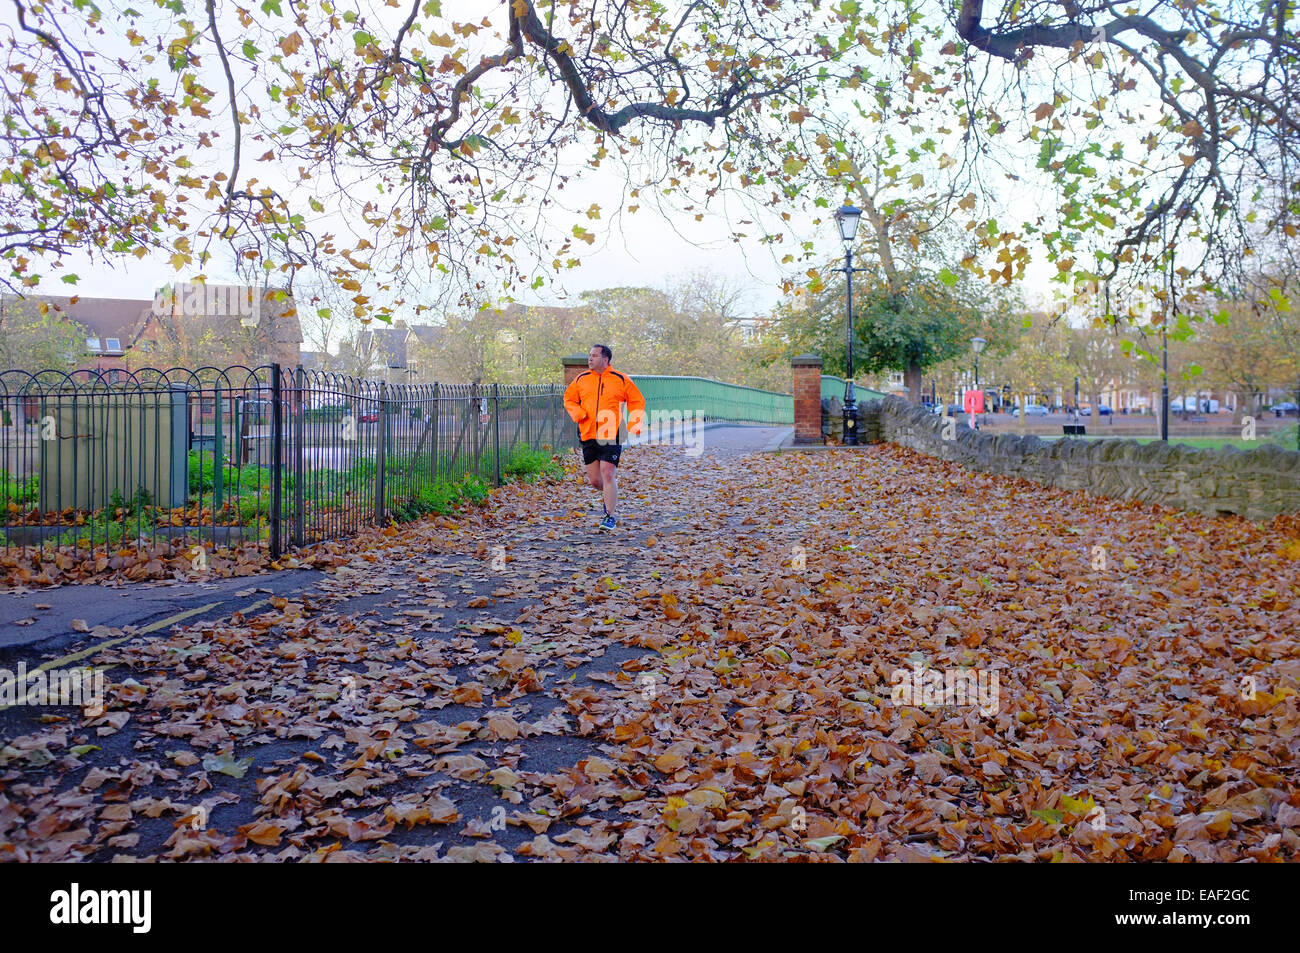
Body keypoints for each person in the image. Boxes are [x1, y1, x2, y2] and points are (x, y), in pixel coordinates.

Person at [563, 344, 646, 530]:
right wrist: (578, 413)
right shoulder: (581, 379)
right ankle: (610, 494)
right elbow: (568, 399)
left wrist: (635, 423)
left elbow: (637, 401)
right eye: (589, 355)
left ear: (605, 359)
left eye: (594, 356)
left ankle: (610, 515)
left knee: (608, 473)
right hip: (588, 432)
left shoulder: (621, 379)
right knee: (595, 481)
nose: (590, 359)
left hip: (611, 433)